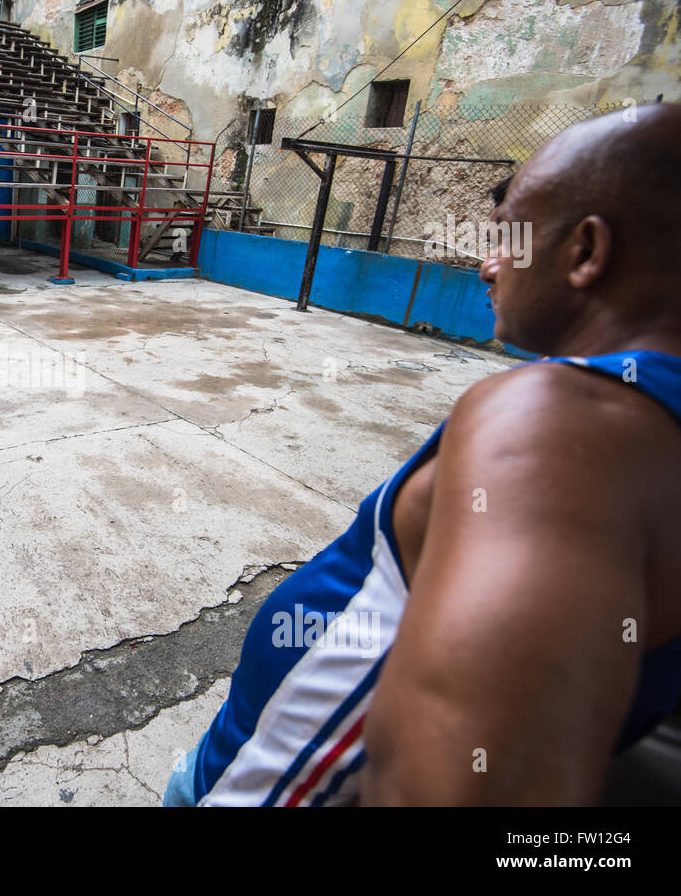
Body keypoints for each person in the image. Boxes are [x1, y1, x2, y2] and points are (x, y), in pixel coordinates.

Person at [168, 104, 681, 806]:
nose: (485, 264)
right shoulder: (647, 424)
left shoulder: (558, 422)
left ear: (586, 252)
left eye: (506, 238)